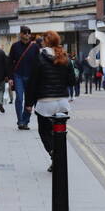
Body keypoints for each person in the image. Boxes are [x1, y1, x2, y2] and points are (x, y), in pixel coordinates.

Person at [24, 30, 76, 172]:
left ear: (45, 42)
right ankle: (57, 158)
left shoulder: (39, 57)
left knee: (44, 132)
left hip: (46, 103)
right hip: (62, 103)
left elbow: (32, 82)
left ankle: (54, 154)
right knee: (59, 134)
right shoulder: (65, 57)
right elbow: (72, 81)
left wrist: (28, 103)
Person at [7, 27, 39, 131]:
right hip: (18, 76)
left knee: (29, 100)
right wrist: (10, 77)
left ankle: (25, 121)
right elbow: (10, 62)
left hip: (31, 77)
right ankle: (20, 121)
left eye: (28, 33)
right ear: (20, 34)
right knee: (19, 98)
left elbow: (39, 63)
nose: (27, 35)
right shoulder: (15, 46)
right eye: (24, 33)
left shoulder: (35, 47)